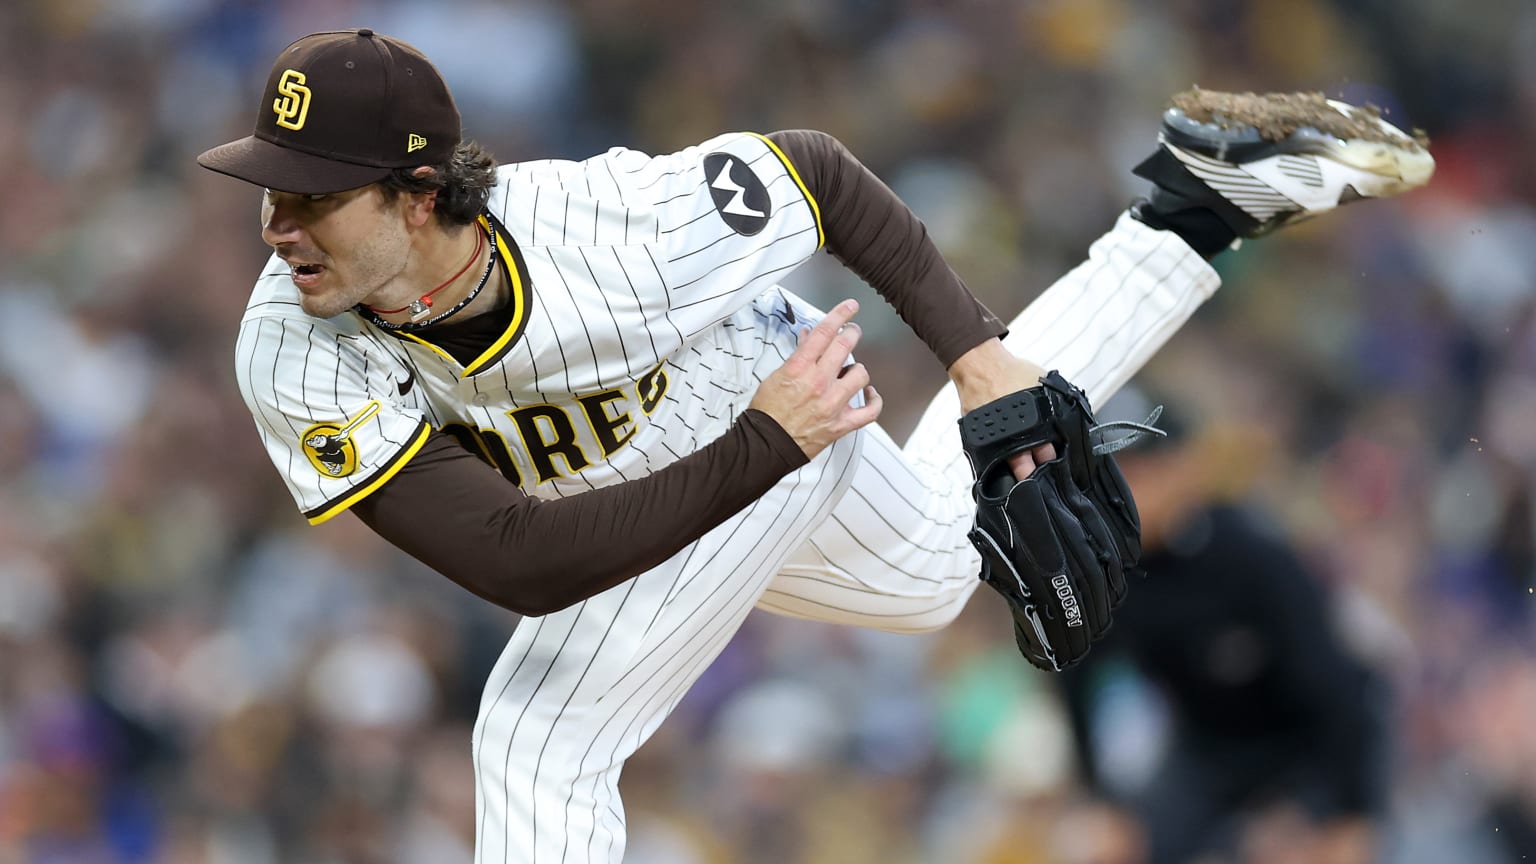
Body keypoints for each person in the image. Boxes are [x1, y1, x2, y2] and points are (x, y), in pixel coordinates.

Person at [197, 29, 1432, 863]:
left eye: (314, 196)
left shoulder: (607, 233)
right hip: (726, 449)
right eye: (272, 189)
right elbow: (518, 558)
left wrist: (972, 356)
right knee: (935, 570)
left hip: (745, 385)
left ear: (421, 195)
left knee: (540, 733)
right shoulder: (293, 345)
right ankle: (1193, 211)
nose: (277, 224)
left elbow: (817, 175)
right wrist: (773, 446)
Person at [1058, 397, 1390, 864]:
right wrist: (1101, 800)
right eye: (1106, 477)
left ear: (1182, 467)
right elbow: (1076, 679)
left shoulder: (1252, 555)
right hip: (1209, 752)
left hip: (1307, 746)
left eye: (1139, 472)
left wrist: (1354, 813)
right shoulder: (1108, 577)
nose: (1123, 493)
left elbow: (1335, 688)